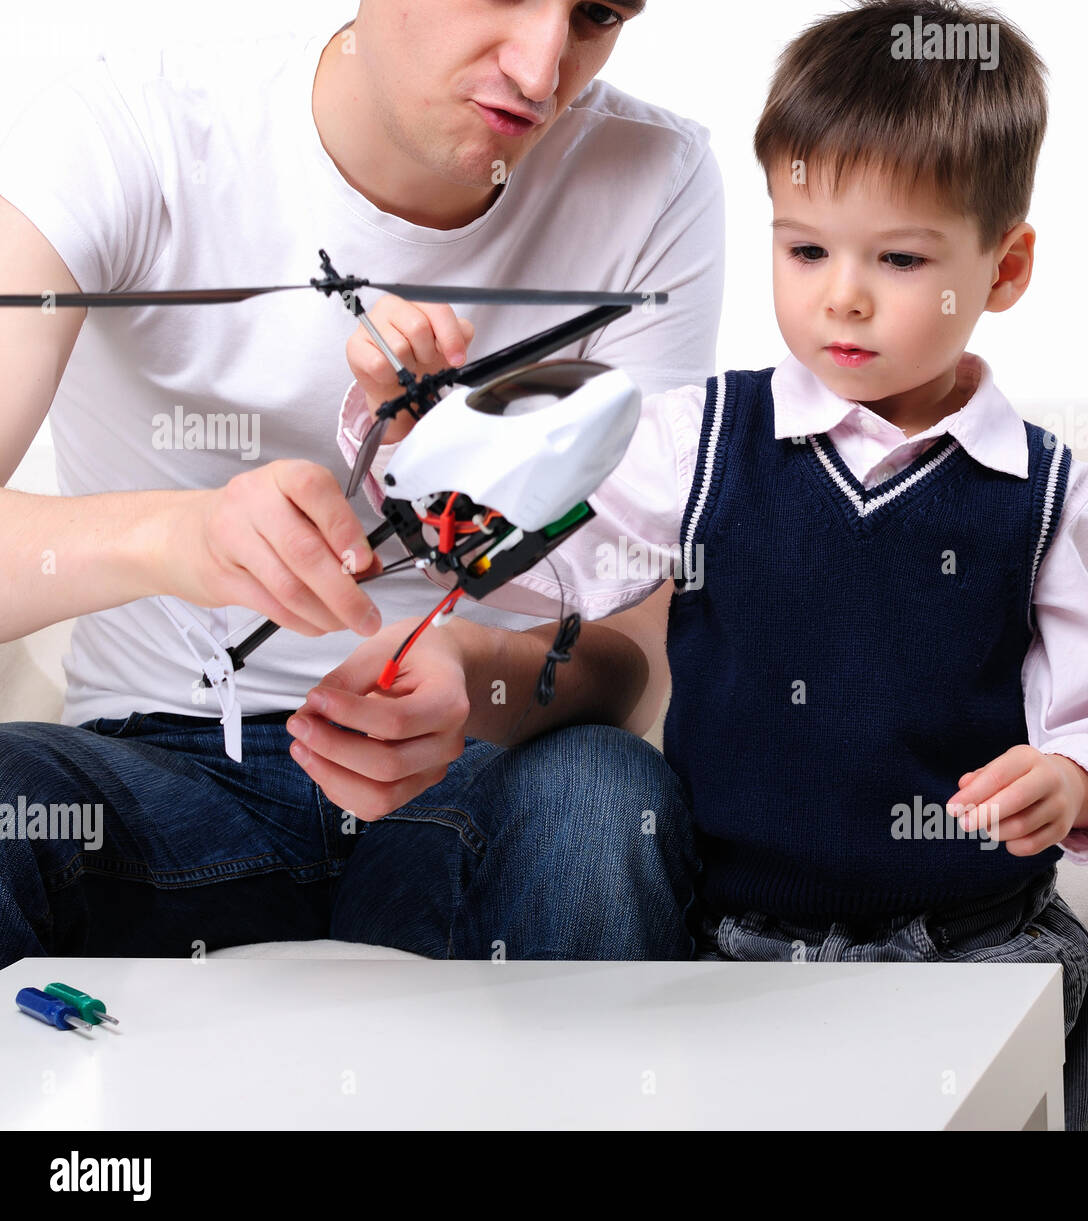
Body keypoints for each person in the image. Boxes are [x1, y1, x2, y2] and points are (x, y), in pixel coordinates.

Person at [345, 0, 1088, 1131]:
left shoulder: (1048, 499)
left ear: (1005, 267)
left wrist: (1073, 779)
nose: (839, 294)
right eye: (804, 249)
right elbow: (545, 549)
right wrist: (419, 435)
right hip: (734, 945)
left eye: (897, 258)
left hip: (973, 951)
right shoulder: (699, 440)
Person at [0, 0, 723, 966]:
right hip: (159, 769)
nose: (543, 69)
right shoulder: (133, 131)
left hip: (467, 775)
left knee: (603, 796)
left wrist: (473, 673)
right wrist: (180, 539)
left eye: (595, 14)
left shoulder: (653, 179)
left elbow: (635, 649)